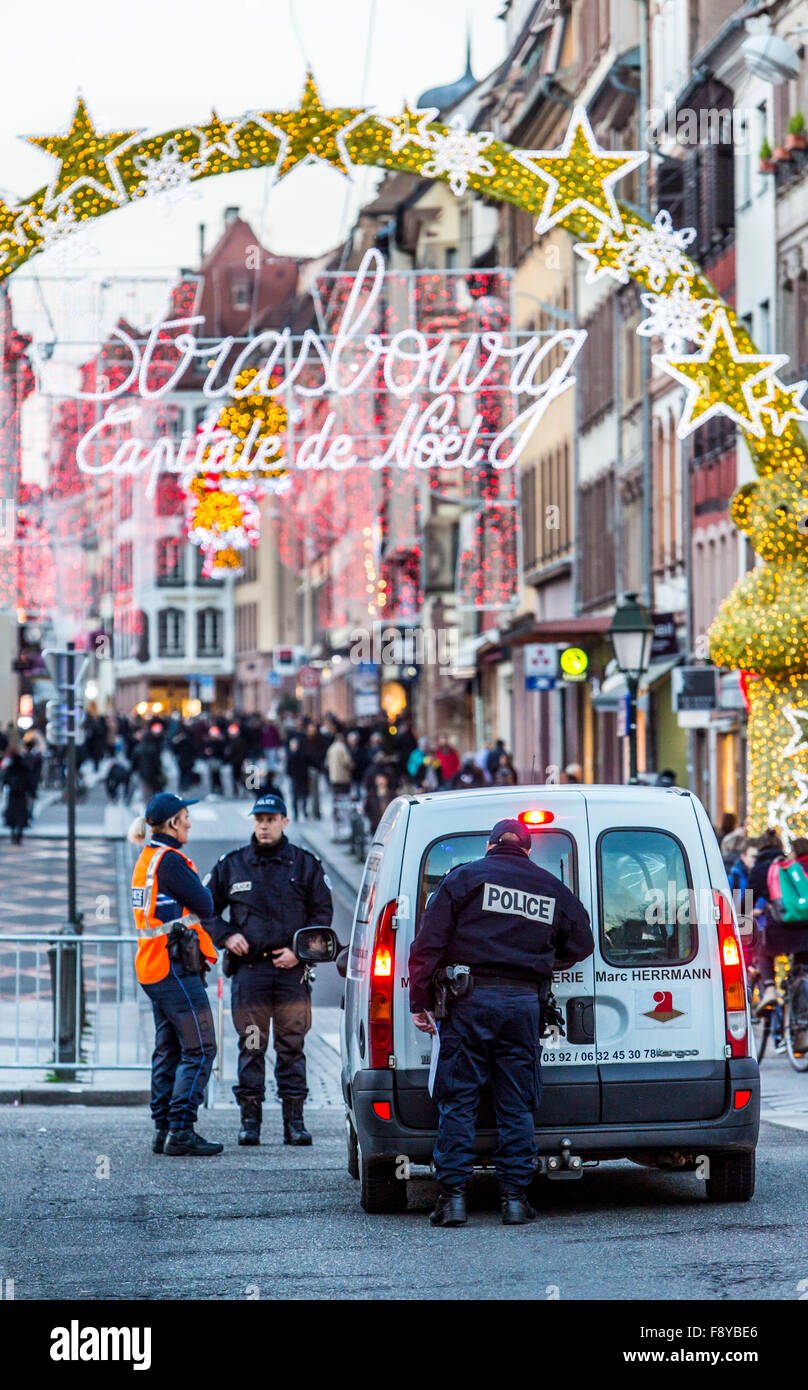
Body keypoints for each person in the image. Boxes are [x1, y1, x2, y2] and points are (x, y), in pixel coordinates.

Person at [408, 817, 594, 1228]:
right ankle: (514, 1200)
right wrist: (542, 963)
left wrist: (419, 1000)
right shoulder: (549, 886)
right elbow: (583, 941)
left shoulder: (464, 879)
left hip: (468, 1001)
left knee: (458, 1100)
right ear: (527, 850)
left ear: (490, 846)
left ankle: (453, 1199)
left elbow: (427, 945)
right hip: (522, 1003)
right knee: (516, 1103)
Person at [204, 792, 333, 1147]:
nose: (264, 825)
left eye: (271, 819)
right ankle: (250, 1121)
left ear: (285, 822)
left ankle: (295, 1122)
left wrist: (300, 952)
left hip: (291, 972)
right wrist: (227, 935)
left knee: (292, 1046)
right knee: (251, 1045)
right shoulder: (233, 865)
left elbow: (322, 917)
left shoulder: (305, 865)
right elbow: (206, 910)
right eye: (259, 819)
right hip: (250, 973)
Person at [128, 793, 222, 1157]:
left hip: (153, 966)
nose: (189, 823)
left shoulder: (148, 857)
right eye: (185, 817)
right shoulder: (169, 861)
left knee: (169, 1047)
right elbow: (205, 904)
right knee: (201, 1047)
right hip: (174, 967)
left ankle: (163, 1128)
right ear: (171, 823)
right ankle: (181, 1129)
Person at [2, 749, 33, 844]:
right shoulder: (24, 769)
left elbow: (5, 781)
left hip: (13, 794)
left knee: (13, 815)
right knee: (20, 815)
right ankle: (18, 832)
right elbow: (29, 782)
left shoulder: (10, 769)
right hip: (21, 795)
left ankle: (14, 832)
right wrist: (31, 793)